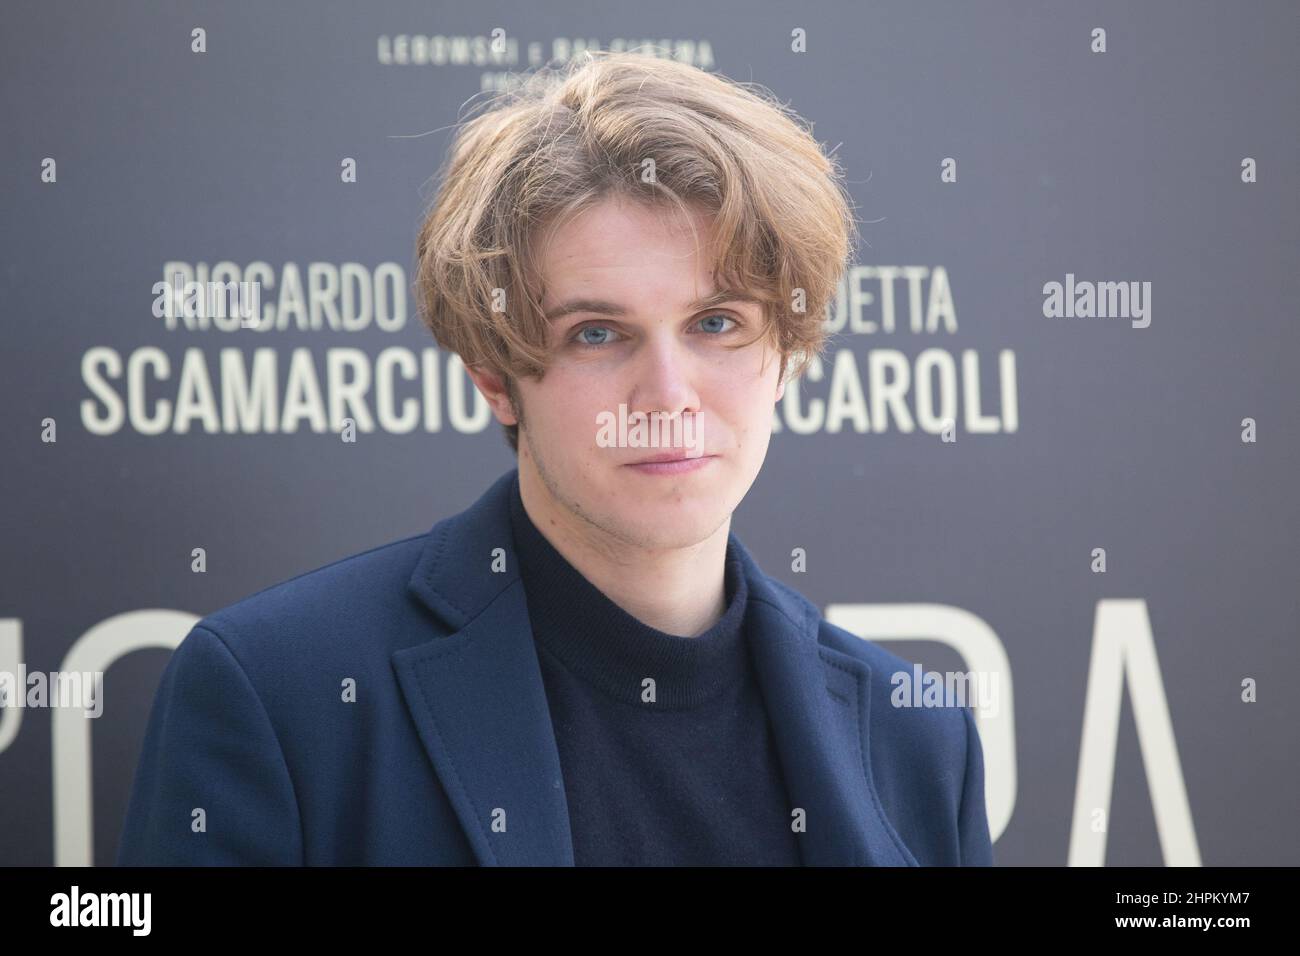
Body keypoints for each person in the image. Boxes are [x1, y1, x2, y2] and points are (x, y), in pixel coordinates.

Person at [116, 50, 994, 866]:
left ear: (787, 350)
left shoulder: (918, 737)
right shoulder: (279, 694)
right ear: (496, 378)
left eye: (716, 323)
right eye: (598, 333)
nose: (668, 394)